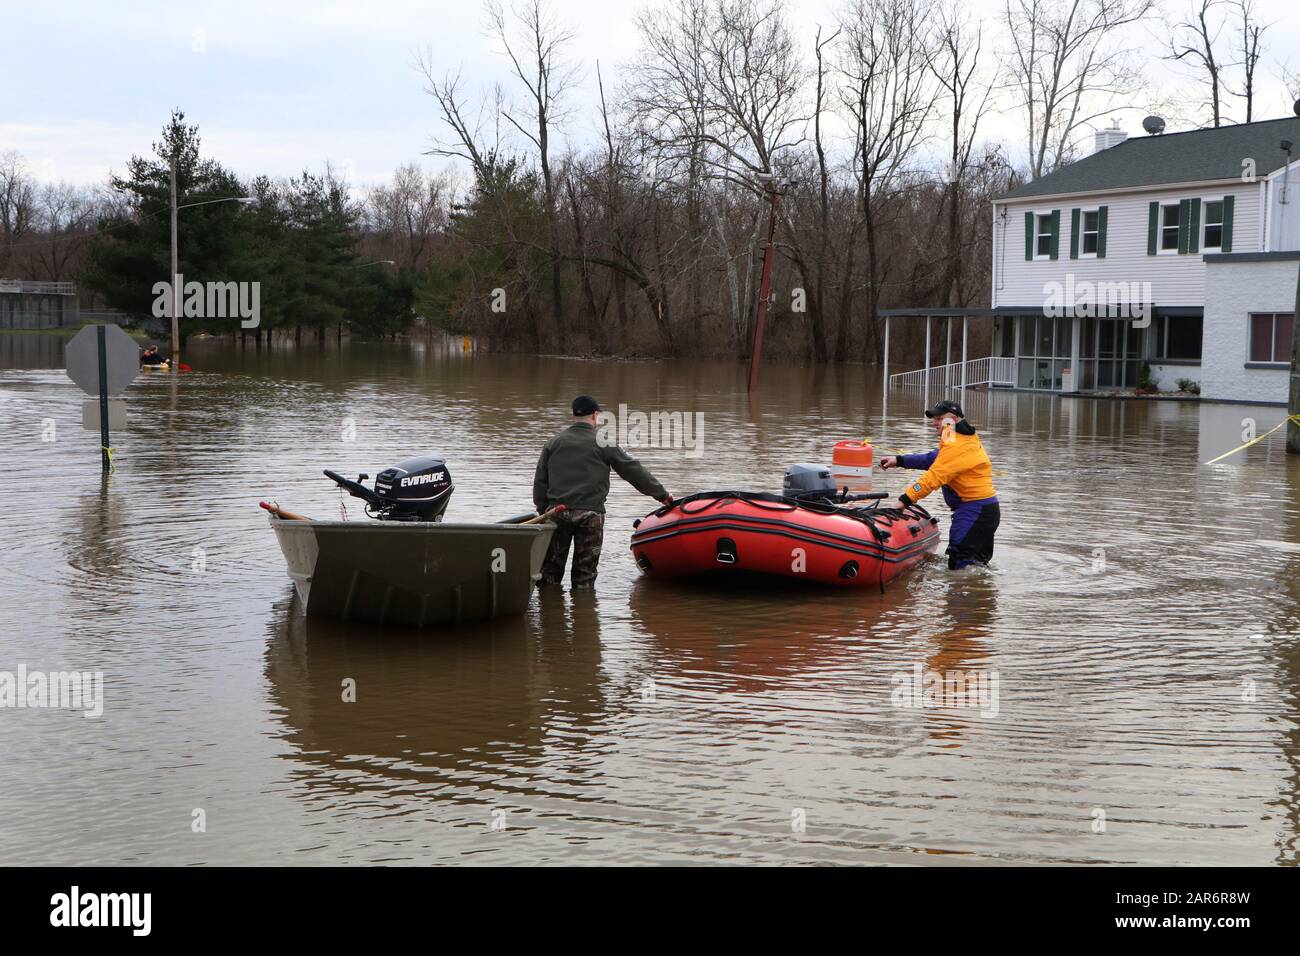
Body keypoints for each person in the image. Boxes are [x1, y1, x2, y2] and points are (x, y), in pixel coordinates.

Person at [534, 395, 672, 589]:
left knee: (549, 574)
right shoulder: (603, 442)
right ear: (595, 415)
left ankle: (549, 613)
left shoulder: (553, 443)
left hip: (556, 513)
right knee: (585, 576)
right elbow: (633, 471)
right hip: (591, 515)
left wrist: (543, 511)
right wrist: (661, 495)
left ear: (573, 415)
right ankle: (584, 611)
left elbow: (540, 482)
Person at [879, 400, 1000, 570]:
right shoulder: (953, 435)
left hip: (974, 510)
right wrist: (899, 460)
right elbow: (934, 458)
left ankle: (960, 595)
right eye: (934, 418)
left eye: (940, 418)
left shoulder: (959, 445)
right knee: (976, 566)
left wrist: (904, 501)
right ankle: (979, 593)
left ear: (954, 418)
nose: (935, 423)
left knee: (958, 562)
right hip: (984, 510)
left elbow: (933, 478)